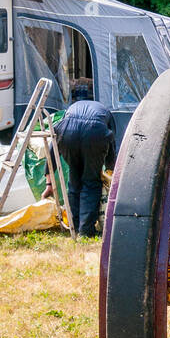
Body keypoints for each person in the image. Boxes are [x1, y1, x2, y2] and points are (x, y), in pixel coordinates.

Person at [55, 79, 116, 238]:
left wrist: (49, 173)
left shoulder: (71, 108)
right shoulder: (104, 110)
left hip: (68, 133)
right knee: (90, 182)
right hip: (94, 133)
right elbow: (111, 142)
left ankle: (73, 227)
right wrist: (111, 169)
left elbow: (54, 143)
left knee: (74, 181)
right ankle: (86, 231)